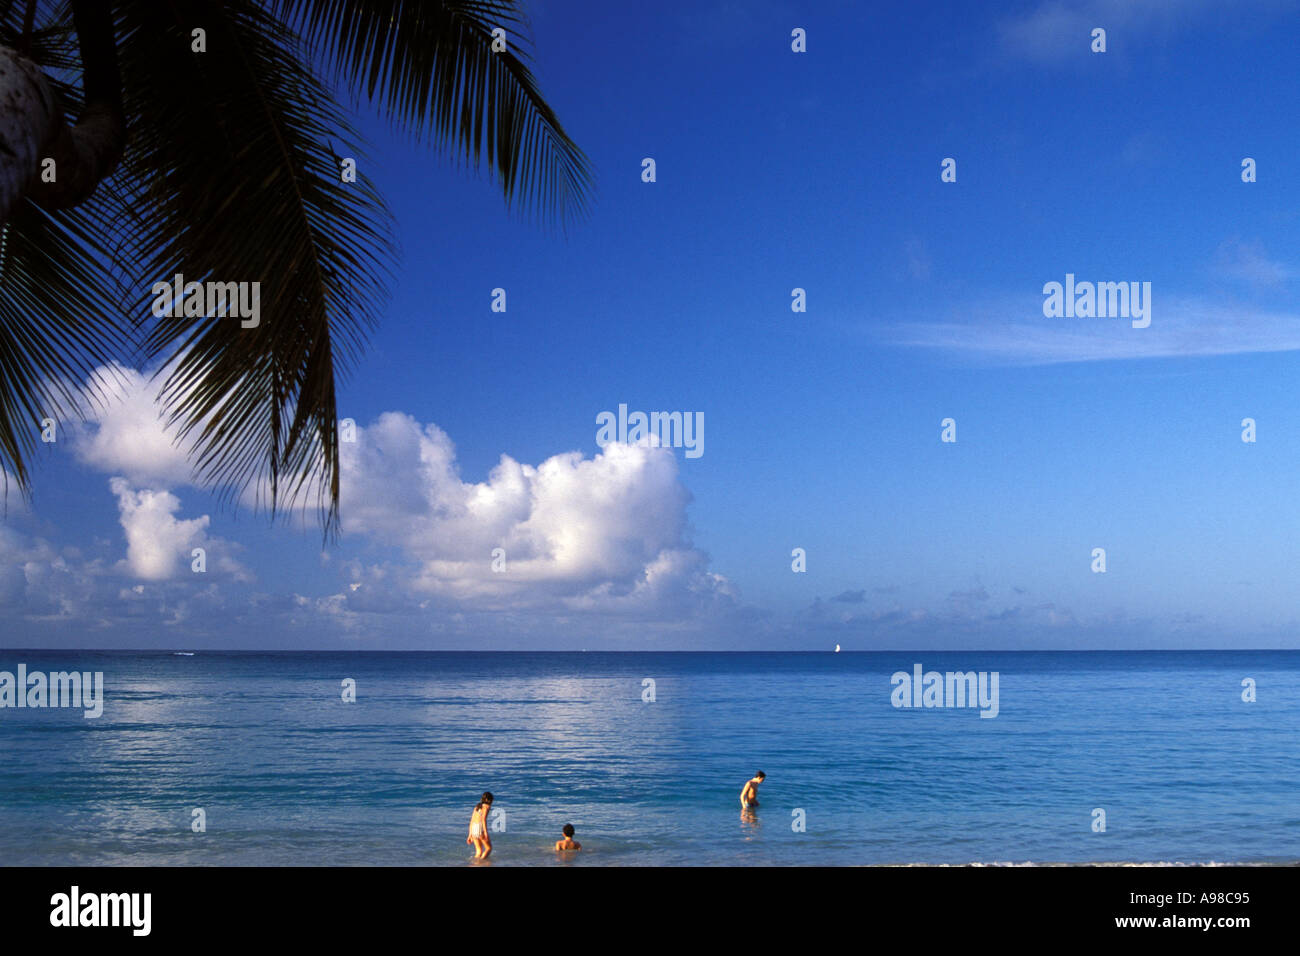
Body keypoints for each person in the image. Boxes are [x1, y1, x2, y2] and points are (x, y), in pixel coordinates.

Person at [467, 792, 494, 858]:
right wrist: (486, 832)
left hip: (473, 827)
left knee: (479, 851)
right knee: (488, 848)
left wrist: (470, 835)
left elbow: (472, 820)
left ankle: (475, 864)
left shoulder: (477, 807)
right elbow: (483, 819)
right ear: (488, 800)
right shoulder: (487, 807)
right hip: (479, 827)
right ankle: (481, 863)